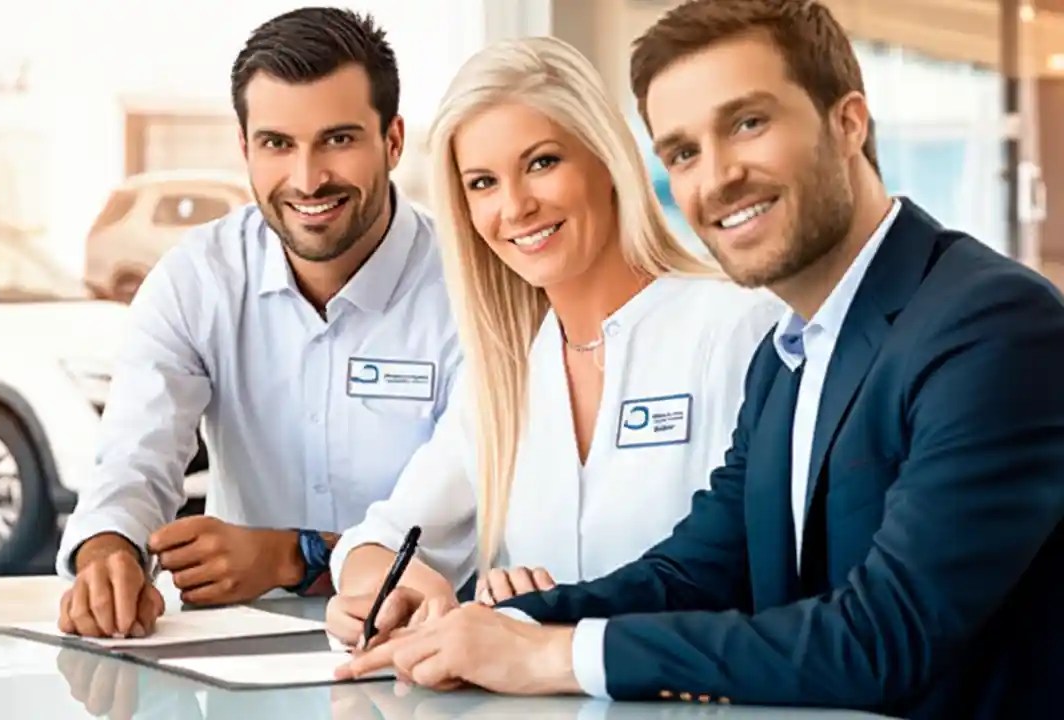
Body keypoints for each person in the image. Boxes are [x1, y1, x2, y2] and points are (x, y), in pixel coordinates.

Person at [338, 2, 1064, 717]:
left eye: (748, 123)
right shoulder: (791, 355)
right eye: (683, 152)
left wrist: (552, 656)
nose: (716, 178)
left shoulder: (992, 325)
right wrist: (500, 625)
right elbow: (699, 572)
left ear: (848, 121)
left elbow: (881, 638)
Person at [324, 35, 780, 646]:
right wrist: (387, 591)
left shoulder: (737, 326)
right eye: (482, 183)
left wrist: (545, 616)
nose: (515, 206)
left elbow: (755, 572)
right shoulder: (506, 372)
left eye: (542, 162)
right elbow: (381, 538)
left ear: (605, 158)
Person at [55, 7, 461, 640]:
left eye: (338, 139)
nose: (307, 178)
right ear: (244, 147)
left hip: (428, 650)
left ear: (394, 141)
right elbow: (133, 457)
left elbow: (465, 522)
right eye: (278, 144)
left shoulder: (470, 292)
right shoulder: (197, 279)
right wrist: (110, 548)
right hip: (238, 651)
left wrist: (290, 556)